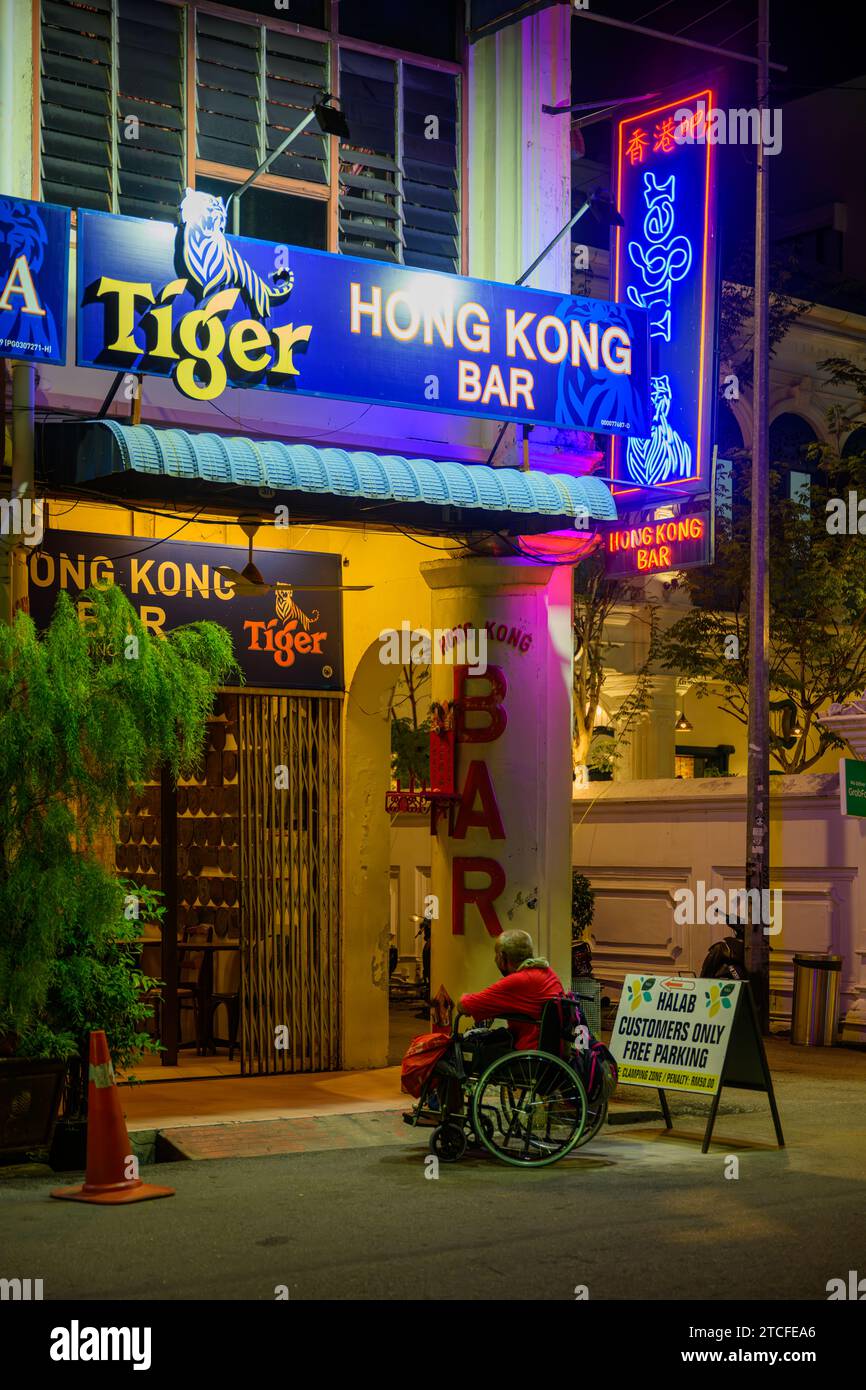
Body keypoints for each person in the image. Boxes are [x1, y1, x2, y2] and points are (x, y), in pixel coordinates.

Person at [457, 929, 564, 1051]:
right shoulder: (547, 973)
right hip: (551, 1052)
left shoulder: (518, 981)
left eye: (496, 955)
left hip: (528, 1053)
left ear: (502, 957)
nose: (495, 960)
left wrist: (464, 996)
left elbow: (464, 1005)